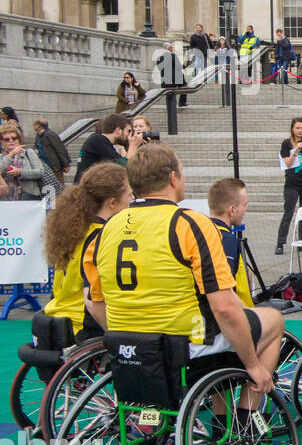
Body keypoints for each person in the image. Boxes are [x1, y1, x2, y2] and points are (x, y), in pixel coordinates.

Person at [84, 143, 284, 406]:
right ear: (172, 177)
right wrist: (253, 365)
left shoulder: (107, 229)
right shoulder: (189, 223)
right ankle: (244, 423)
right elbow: (224, 307)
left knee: (219, 326)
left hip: (131, 348)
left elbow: (95, 303)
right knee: (272, 318)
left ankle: (223, 420)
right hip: (184, 350)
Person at [42, 162, 131, 341]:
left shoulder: (76, 228)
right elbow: (92, 302)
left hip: (56, 316)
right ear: (112, 202)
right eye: (130, 195)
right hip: (82, 325)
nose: (132, 200)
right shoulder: (102, 237)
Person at [208, 178, 255, 308]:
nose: (246, 208)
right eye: (244, 204)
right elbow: (222, 291)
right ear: (232, 210)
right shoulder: (227, 241)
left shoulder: (201, 232)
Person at [275, 117, 302, 256]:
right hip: (292, 184)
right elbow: (287, 163)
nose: (300, 131)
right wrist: (296, 151)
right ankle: (280, 243)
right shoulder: (286, 144)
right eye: (298, 128)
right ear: (293, 129)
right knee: (288, 212)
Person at [33, 118, 72, 186]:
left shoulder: (50, 134)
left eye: (35, 124)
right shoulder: (38, 135)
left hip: (54, 165)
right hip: (43, 166)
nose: (33, 126)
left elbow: (60, 149)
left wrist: (66, 164)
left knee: (58, 185)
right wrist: (36, 150)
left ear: (39, 126)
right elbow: (35, 146)